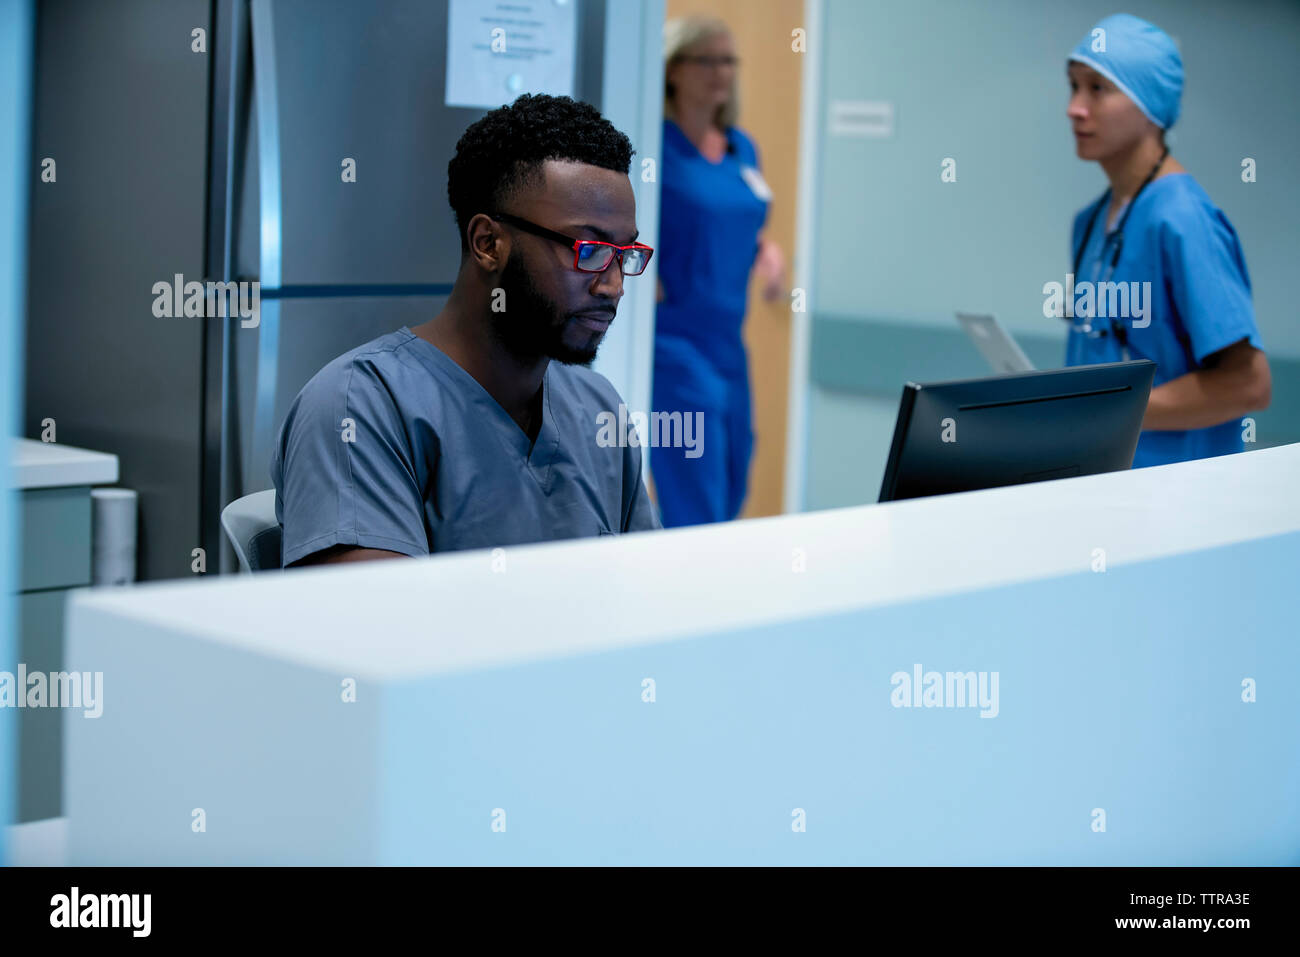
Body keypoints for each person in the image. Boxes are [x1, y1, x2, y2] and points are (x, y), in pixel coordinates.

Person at [271, 94, 661, 567]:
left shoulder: (597, 408)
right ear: (487, 243)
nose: (613, 284)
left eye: (625, 254)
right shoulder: (362, 407)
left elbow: (645, 596)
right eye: (589, 249)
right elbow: (374, 629)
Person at [1064, 13, 1270, 468]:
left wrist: (1104, 410)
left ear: (1149, 105)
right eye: (1074, 86)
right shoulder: (1091, 222)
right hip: (1098, 482)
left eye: (1097, 88)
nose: (1075, 108)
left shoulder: (1183, 219)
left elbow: (1249, 384)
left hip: (1175, 499)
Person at [652, 16, 785, 526]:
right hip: (673, 346)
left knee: (733, 479)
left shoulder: (741, 148)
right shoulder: (653, 146)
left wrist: (765, 252)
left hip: (730, 344)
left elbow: (741, 223)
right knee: (694, 495)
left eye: (728, 60)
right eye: (706, 60)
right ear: (673, 70)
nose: (721, 72)